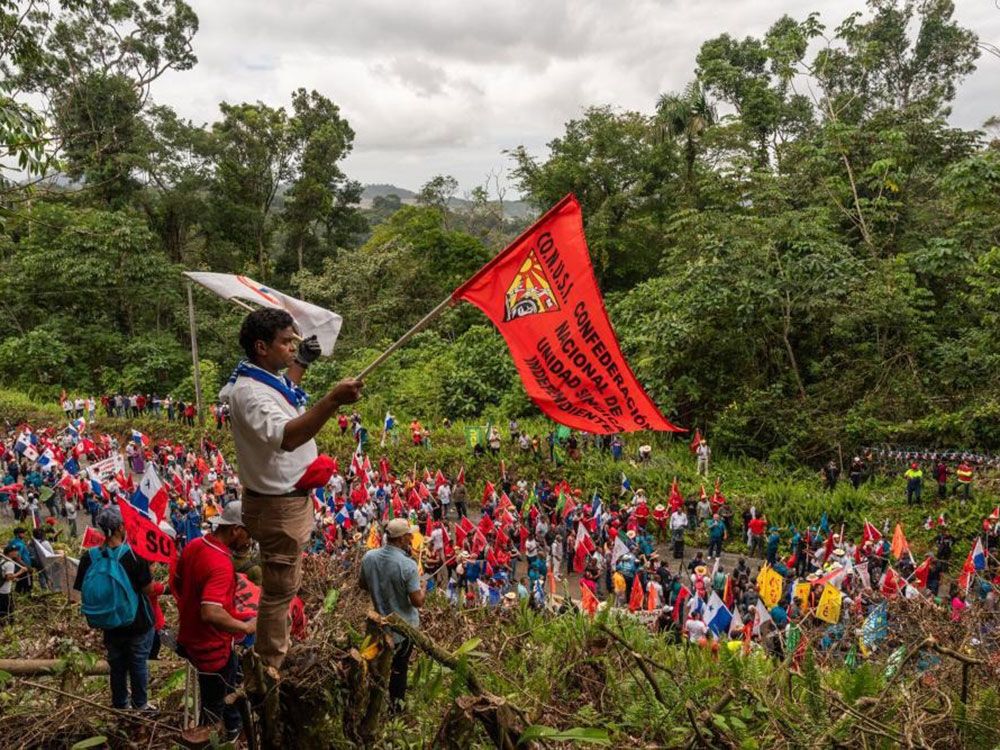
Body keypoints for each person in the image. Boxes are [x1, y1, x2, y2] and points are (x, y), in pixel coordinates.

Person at [223, 308, 364, 672]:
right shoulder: (250, 395)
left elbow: (284, 393)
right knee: (279, 591)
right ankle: (271, 666)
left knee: (283, 584)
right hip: (278, 507)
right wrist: (332, 400)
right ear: (261, 347)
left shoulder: (261, 380)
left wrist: (301, 364)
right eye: (286, 343)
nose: (291, 347)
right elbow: (288, 435)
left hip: (281, 501)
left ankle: (277, 650)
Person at [173, 502, 256, 741]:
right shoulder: (220, 563)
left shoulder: (194, 545)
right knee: (213, 713)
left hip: (190, 637)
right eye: (248, 533)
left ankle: (230, 730)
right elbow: (210, 612)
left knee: (223, 695)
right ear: (236, 530)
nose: (249, 541)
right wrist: (245, 626)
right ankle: (222, 741)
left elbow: (178, 583)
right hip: (211, 648)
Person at [73, 507, 156, 711]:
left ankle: (119, 704)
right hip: (136, 621)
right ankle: (140, 705)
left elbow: (79, 589)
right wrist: (150, 572)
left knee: (116, 665)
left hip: (108, 622)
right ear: (120, 527)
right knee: (138, 663)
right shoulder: (134, 556)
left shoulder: (89, 557)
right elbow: (148, 589)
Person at [360, 518, 425, 712]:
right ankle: (395, 709)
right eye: (409, 535)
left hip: (377, 625)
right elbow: (417, 601)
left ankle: (371, 704)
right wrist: (422, 587)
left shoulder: (369, 557)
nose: (412, 538)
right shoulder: (408, 565)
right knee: (399, 670)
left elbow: (363, 585)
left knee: (376, 667)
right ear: (403, 538)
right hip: (403, 630)